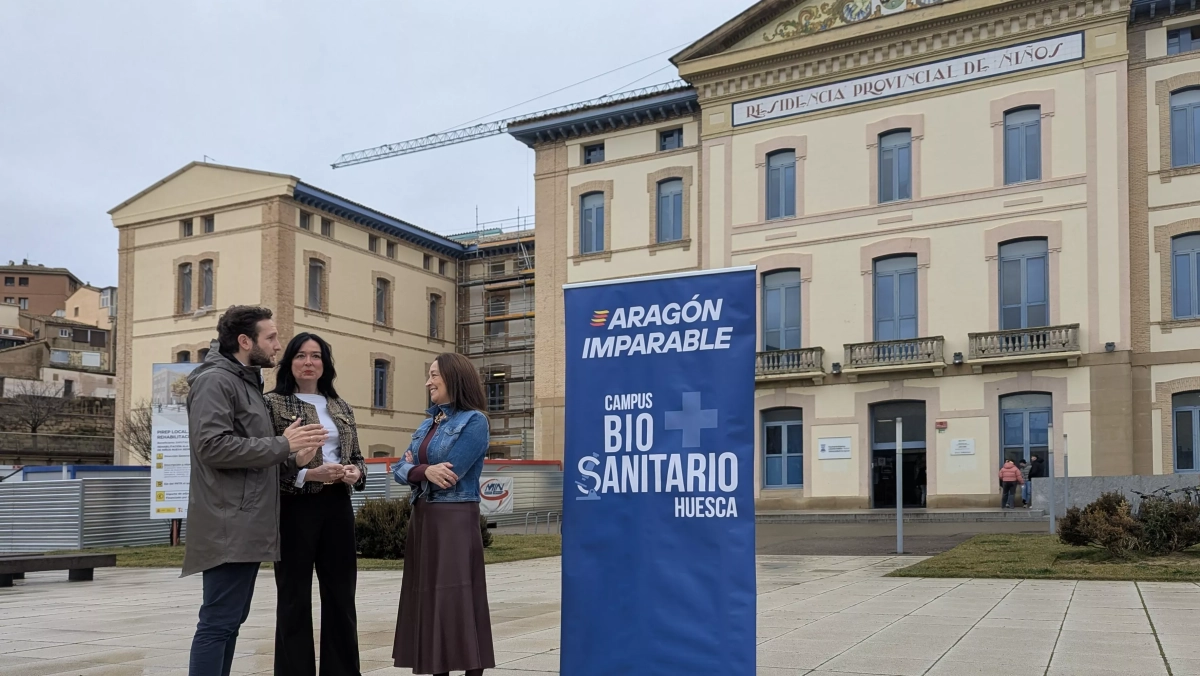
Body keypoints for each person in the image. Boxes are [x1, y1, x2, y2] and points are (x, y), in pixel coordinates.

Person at [184, 306, 328, 676]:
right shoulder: (216, 381)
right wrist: (283, 444)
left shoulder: (245, 382)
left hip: (244, 524)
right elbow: (212, 446)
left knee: (229, 622)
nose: (278, 346)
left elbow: (253, 455)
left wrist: (297, 458)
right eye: (271, 337)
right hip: (226, 524)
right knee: (218, 623)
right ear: (245, 342)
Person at [265, 333, 367, 676]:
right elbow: (266, 464)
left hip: (337, 505)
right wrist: (307, 474)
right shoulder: (271, 404)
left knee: (341, 596)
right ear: (289, 362)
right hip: (295, 507)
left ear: (326, 364)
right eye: (301, 356)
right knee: (293, 598)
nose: (309, 362)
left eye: (316, 356)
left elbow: (357, 458)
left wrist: (355, 472)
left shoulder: (341, 406)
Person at [392, 353, 495, 676]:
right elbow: (398, 468)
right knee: (428, 598)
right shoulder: (429, 423)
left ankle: (470, 669)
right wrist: (422, 470)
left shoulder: (474, 421)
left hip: (453, 517)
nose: (428, 382)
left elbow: (452, 472)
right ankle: (438, 669)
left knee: (457, 597)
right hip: (422, 517)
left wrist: (413, 468)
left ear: (454, 378)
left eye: (434, 375)